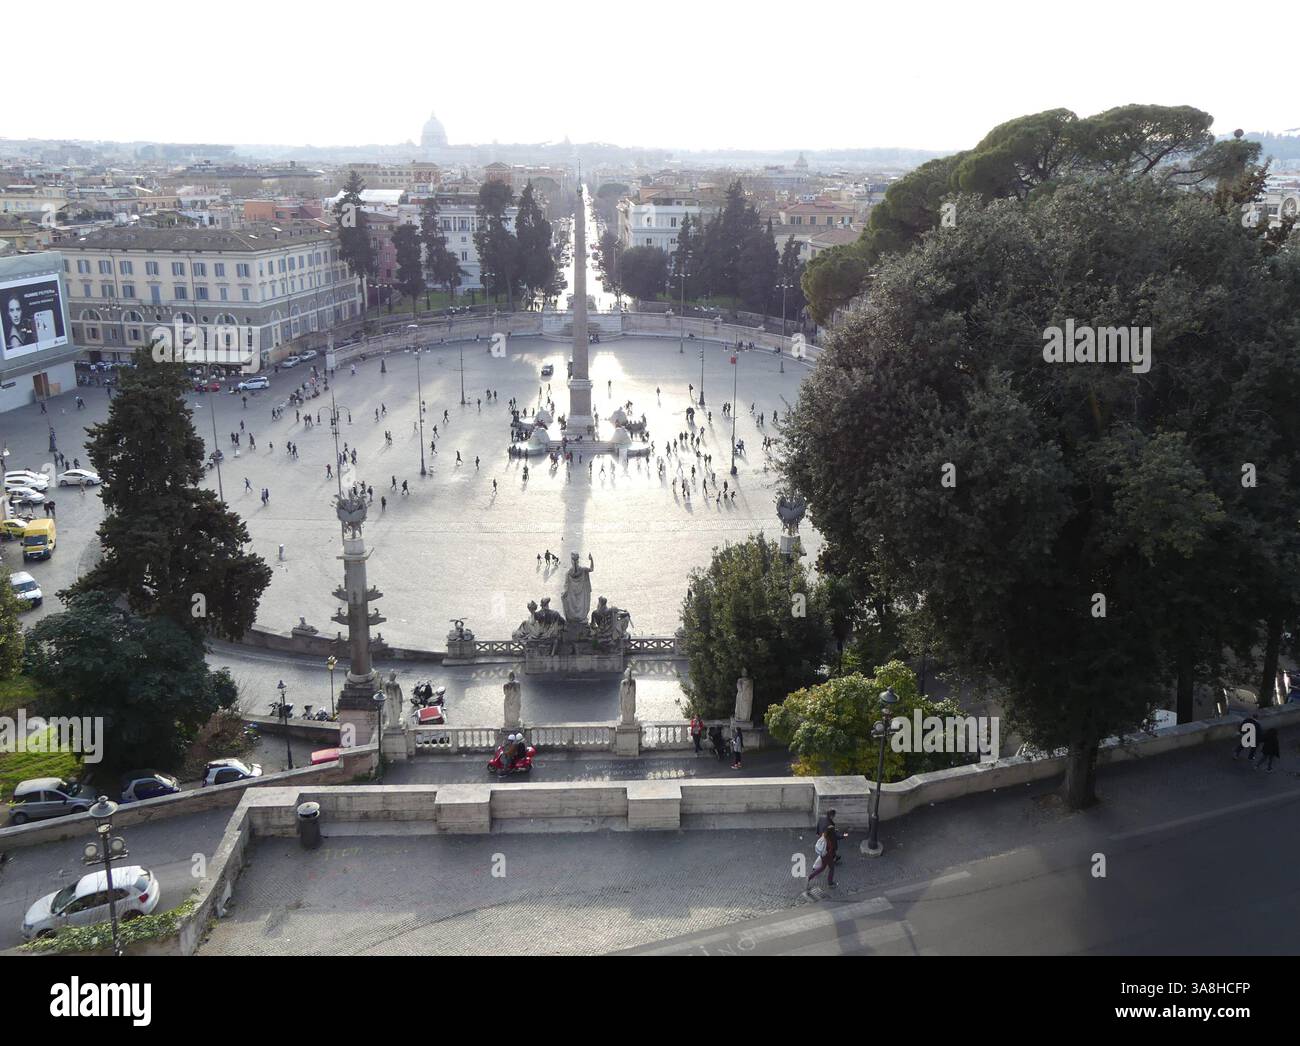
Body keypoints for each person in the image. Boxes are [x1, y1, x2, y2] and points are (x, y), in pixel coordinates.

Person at [807, 826, 838, 891]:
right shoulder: (830, 840)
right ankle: (830, 883)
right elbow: (830, 850)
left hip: (822, 855)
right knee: (831, 868)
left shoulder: (824, 835)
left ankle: (810, 877)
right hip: (827, 856)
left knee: (822, 868)